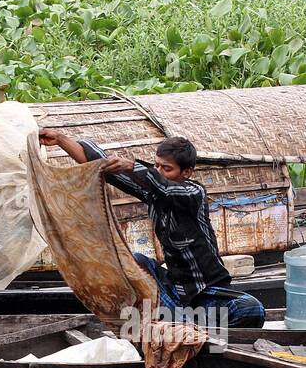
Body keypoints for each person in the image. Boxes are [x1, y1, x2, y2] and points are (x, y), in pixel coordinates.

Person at [38, 129, 265, 328]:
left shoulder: (194, 192)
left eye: (167, 168)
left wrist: (134, 167)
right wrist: (60, 139)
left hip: (207, 291)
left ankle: (179, 324)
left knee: (251, 308)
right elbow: (104, 166)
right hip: (175, 292)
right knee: (135, 260)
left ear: (186, 173)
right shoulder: (153, 193)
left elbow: (164, 187)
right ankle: (180, 323)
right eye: (156, 165)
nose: (159, 171)